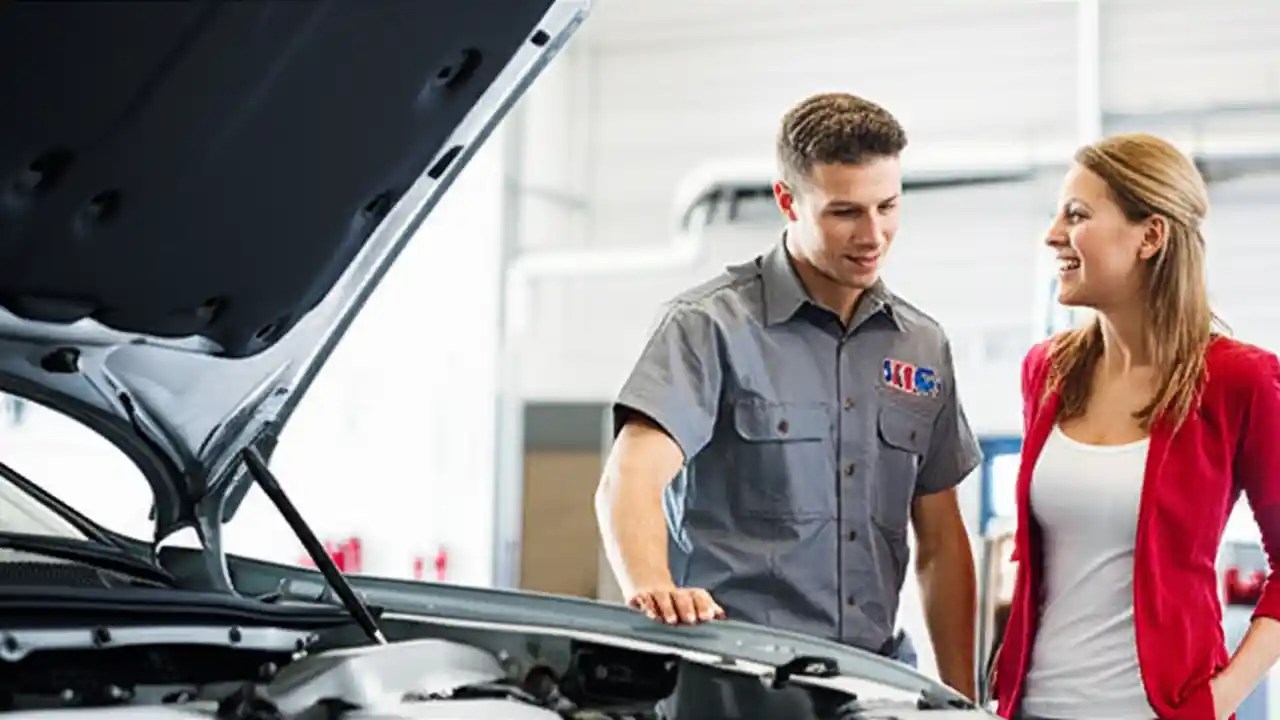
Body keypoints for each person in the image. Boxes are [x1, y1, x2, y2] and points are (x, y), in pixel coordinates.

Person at [594, 91, 984, 709]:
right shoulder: (709, 327)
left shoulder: (922, 345)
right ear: (787, 200)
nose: (873, 234)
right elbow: (629, 481)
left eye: (888, 206)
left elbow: (940, 542)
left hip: (873, 685)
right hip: (733, 688)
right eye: (844, 212)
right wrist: (652, 588)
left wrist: (963, 700)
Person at [989, 133, 1280, 720]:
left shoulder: (1238, 380)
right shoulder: (1046, 372)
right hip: (1033, 707)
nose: (1052, 235)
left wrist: (1219, 698)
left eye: (1076, 214)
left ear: (1150, 236)